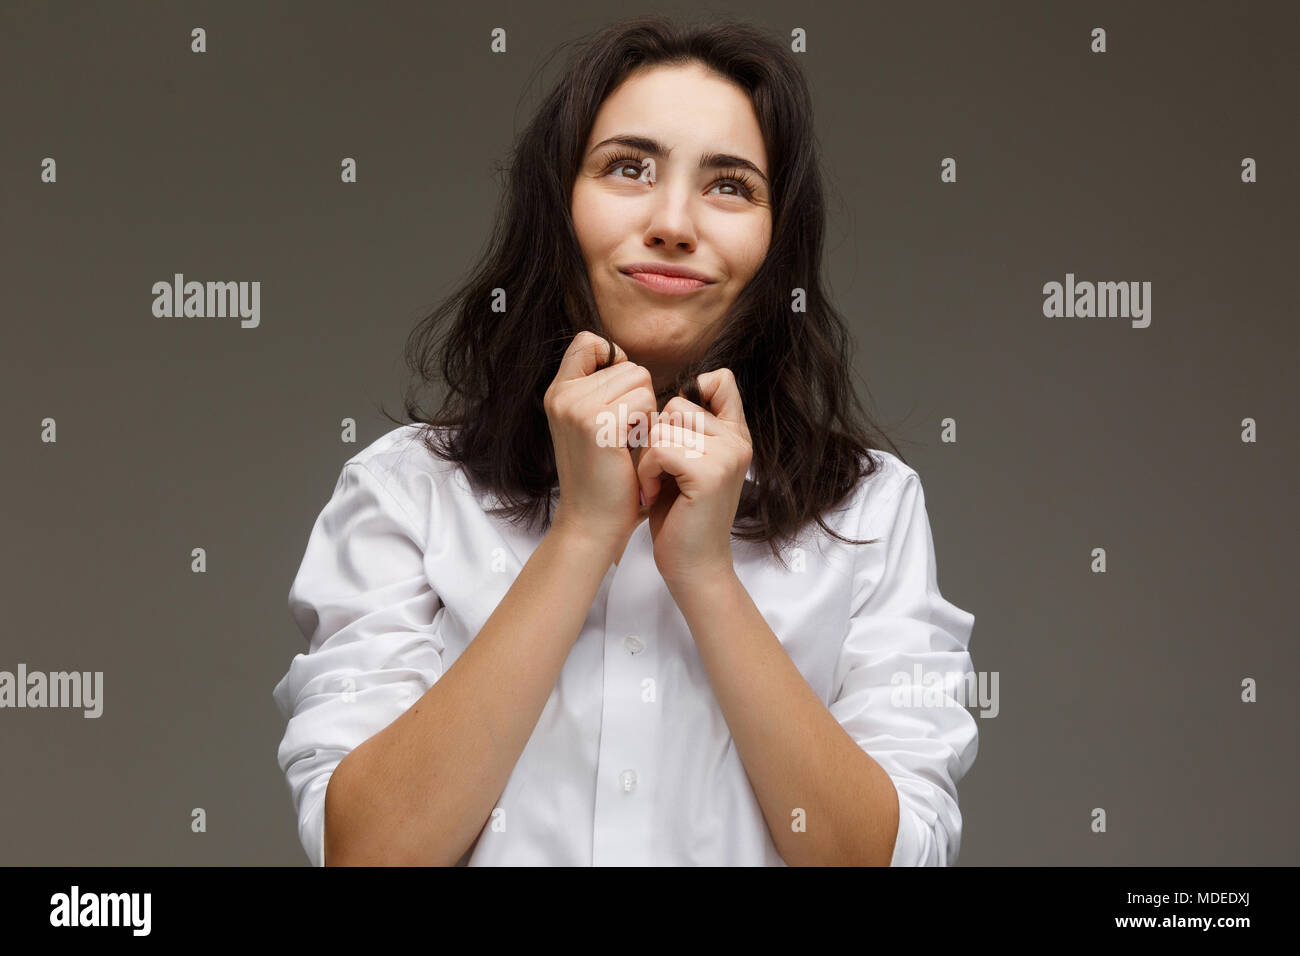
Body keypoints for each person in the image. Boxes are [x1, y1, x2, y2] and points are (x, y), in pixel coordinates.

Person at [272, 14, 979, 867]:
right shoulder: (408, 490)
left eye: (729, 186)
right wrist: (581, 537)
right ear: (558, 205)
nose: (674, 221)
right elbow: (369, 854)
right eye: (627, 168)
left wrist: (707, 577)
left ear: (776, 240)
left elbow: (886, 858)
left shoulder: (870, 507)